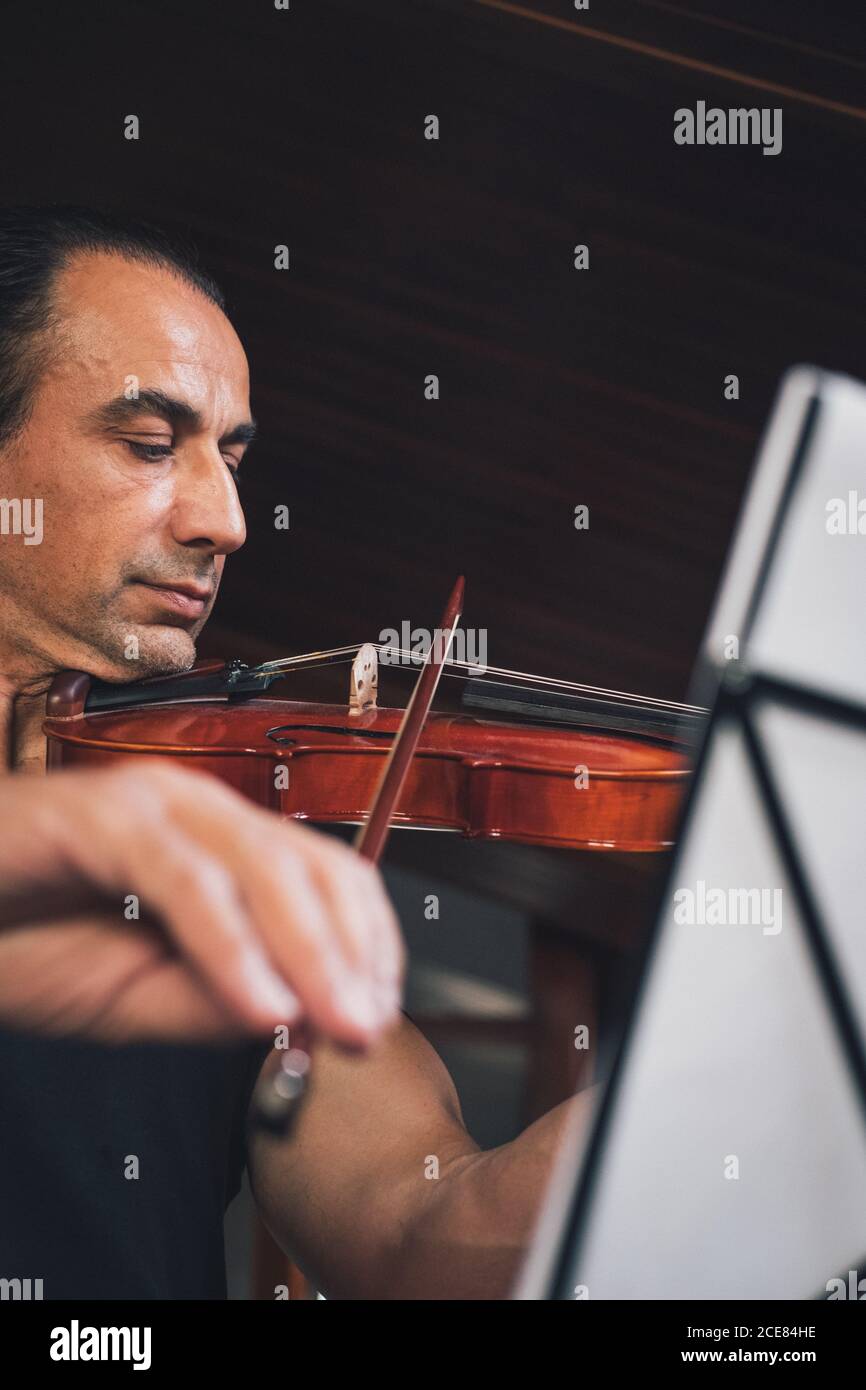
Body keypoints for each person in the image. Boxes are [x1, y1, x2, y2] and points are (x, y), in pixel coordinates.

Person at [0, 207, 586, 1300]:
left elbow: (423, 1239)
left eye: (229, 456)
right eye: (147, 445)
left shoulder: (225, 870)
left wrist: (719, 1078)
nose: (226, 519)